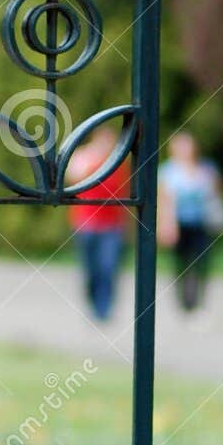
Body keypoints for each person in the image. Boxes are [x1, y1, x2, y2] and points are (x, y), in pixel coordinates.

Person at [66, 125, 130, 322]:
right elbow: (71, 177)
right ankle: (93, 305)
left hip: (112, 225)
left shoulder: (119, 163)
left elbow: (125, 194)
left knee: (109, 267)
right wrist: (92, 159)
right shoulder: (84, 157)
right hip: (86, 224)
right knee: (90, 269)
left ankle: (104, 309)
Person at [157, 131, 223, 312]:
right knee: (180, 262)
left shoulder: (207, 168)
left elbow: (218, 192)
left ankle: (198, 297)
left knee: (202, 261)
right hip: (179, 224)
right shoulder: (168, 171)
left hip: (203, 223)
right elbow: (164, 201)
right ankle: (184, 299)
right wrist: (165, 225)